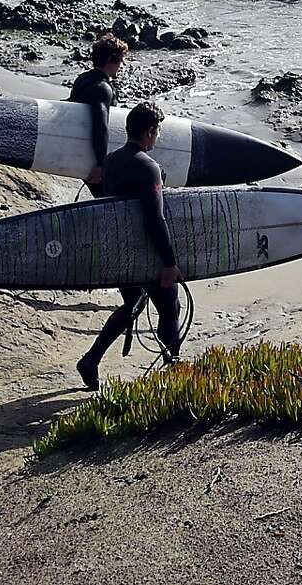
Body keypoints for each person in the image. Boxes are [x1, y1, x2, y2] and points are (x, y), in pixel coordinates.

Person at [76, 101, 184, 390]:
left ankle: (91, 360)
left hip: (119, 250)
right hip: (145, 251)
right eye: (157, 131)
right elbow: (155, 218)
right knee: (169, 305)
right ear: (150, 131)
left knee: (133, 303)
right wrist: (169, 263)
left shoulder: (111, 161)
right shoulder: (148, 167)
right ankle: (173, 365)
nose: (157, 137)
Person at [68, 33, 127, 192]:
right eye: (120, 61)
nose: (121, 65)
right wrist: (101, 164)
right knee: (109, 199)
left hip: (76, 148)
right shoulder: (102, 88)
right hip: (93, 155)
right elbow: (100, 126)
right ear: (110, 60)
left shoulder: (83, 78)